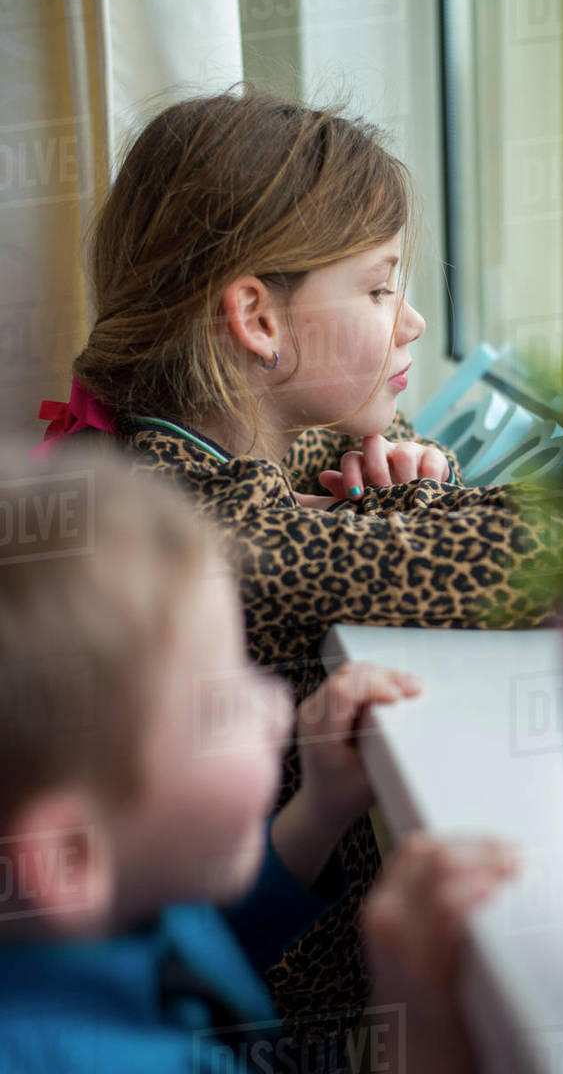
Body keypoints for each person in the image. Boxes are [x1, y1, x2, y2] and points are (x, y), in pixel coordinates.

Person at [34, 88, 563, 1042]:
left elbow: (382, 504)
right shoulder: (203, 525)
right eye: (377, 288)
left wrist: (404, 476)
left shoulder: (195, 452)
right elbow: (529, 557)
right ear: (257, 320)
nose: (409, 324)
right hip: (279, 1023)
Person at [0, 445, 519, 1074]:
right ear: (68, 856)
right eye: (225, 702)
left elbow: (201, 939)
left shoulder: (100, 912)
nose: (277, 708)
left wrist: (319, 810)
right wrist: (424, 1041)